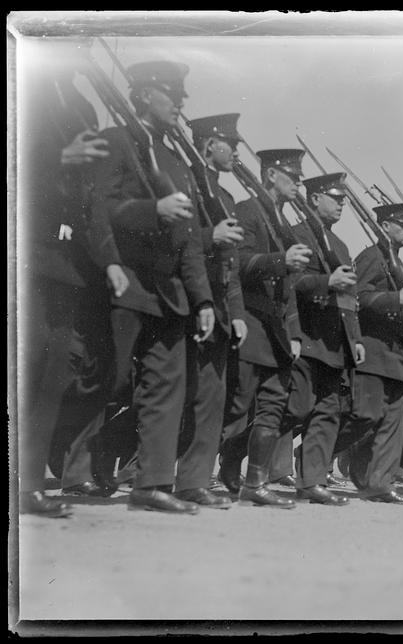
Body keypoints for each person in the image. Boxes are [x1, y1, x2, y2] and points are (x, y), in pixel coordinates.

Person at [89, 60, 216, 514]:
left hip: (169, 292)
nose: (180, 103)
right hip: (125, 280)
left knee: (166, 388)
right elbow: (98, 209)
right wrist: (151, 210)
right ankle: (76, 468)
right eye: (171, 94)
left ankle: (152, 484)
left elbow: (190, 240)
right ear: (143, 95)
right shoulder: (115, 141)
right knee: (109, 381)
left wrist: (202, 298)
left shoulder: (177, 164)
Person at [17, 47, 125, 517]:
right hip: (23, 248)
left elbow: (89, 196)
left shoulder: (81, 107)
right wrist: (61, 157)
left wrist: (108, 259)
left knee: (49, 372)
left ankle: (27, 484)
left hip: (62, 263)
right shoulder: (25, 83)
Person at [224, 148, 312, 508]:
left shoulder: (282, 222)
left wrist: (294, 333)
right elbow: (237, 262)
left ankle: (255, 483)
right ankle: (189, 473)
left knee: (275, 406)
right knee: (236, 406)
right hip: (250, 320)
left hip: (276, 330)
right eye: (293, 175)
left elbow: (289, 287)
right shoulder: (247, 211)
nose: (299, 182)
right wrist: (280, 259)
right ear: (272, 175)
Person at [171, 113, 249, 509]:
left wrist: (236, 312)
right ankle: (125, 463)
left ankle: (193, 481)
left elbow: (230, 263)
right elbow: (170, 239)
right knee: (172, 394)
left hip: (216, 309)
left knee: (211, 398)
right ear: (207, 145)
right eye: (229, 144)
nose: (235, 151)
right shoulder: (182, 181)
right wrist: (209, 236)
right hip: (180, 301)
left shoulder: (226, 198)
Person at [278, 172, 365, 505]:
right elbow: (292, 282)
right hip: (305, 334)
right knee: (295, 408)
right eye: (335, 198)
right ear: (314, 198)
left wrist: (355, 338)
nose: (341, 204)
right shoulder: (297, 234)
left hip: (333, 342)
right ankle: (234, 451)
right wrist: (327, 282)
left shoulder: (339, 246)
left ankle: (311, 481)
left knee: (328, 412)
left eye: (343, 199)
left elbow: (349, 299)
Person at [338, 203, 403, 504]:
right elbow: (356, 297)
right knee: (365, 416)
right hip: (373, 349)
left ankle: (379, 484)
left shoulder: (398, 263)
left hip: (396, 354)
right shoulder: (372, 257)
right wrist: (395, 298)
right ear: (385, 226)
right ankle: (318, 451)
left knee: (393, 424)